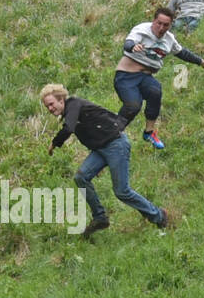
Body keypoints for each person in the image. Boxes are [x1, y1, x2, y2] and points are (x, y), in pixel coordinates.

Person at [40, 83, 170, 238]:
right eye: (47, 106)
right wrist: (98, 164)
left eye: (51, 104)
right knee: (81, 177)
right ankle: (100, 217)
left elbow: (69, 128)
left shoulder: (73, 104)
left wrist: (55, 143)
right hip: (101, 149)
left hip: (116, 145)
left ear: (61, 100)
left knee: (122, 191)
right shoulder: (71, 111)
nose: (50, 109)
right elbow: (93, 130)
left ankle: (159, 216)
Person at [113, 7, 204, 149]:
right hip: (126, 76)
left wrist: (203, 62)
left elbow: (182, 53)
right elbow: (128, 42)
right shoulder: (142, 29)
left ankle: (149, 132)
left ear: (171, 25)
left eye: (166, 25)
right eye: (159, 23)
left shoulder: (169, 39)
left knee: (155, 91)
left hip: (145, 77)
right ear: (153, 21)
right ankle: (113, 131)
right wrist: (132, 47)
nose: (161, 28)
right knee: (133, 105)